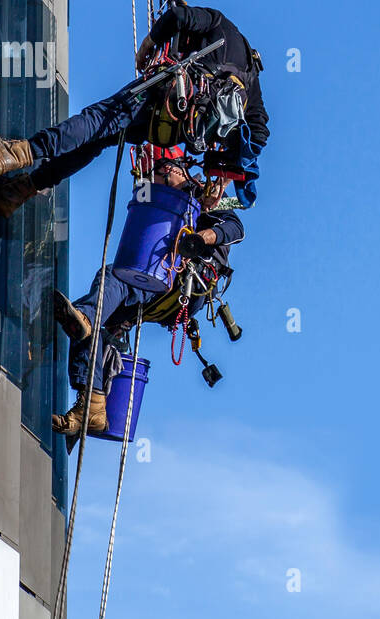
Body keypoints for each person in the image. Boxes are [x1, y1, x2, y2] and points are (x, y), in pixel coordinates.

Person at [0, 2, 269, 217]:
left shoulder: (219, 24)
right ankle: (19, 191)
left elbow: (179, 16)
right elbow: (258, 134)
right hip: (172, 132)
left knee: (97, 119)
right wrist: (222, 179)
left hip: (166, 97)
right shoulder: (250, 80)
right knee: (97, 140)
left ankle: (17, 153)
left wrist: (148, 44)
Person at [51, 148, 242, 443]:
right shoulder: (154, 196)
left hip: (186, 284)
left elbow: (234, 227)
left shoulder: (207, 197)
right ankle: (93, 406)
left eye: (161, 174)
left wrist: (200, 238)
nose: (157, 181)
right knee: (95, 319)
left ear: (178, 170)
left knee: (109, 279)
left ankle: (86, 320)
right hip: (151, 282)